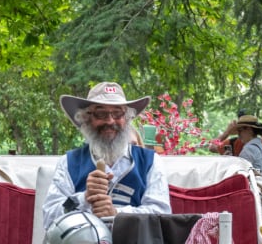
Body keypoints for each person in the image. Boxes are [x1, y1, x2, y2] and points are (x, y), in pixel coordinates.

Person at [42, 82, 171, 229]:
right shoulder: (69, 162)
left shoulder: (150, 161)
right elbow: (49, 218)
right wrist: (84, 198)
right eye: (100, 113)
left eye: (117, 113)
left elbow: (162, 217)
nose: (110, 121)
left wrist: (117, 214)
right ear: (86, 118)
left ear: (127, 118)